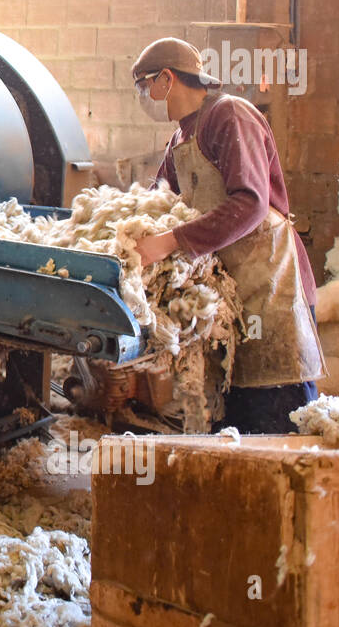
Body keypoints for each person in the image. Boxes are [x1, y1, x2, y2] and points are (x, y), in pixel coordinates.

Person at [130, 37, 324, 433]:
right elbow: (157, 201)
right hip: (230, 292)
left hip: (268, 281)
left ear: (167, 79)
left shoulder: (229, 115)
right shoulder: (180, 139)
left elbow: (250, 203)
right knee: (238, 419)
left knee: (280, 410)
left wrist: (168, 241)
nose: (144, 96)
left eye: (145, 85)